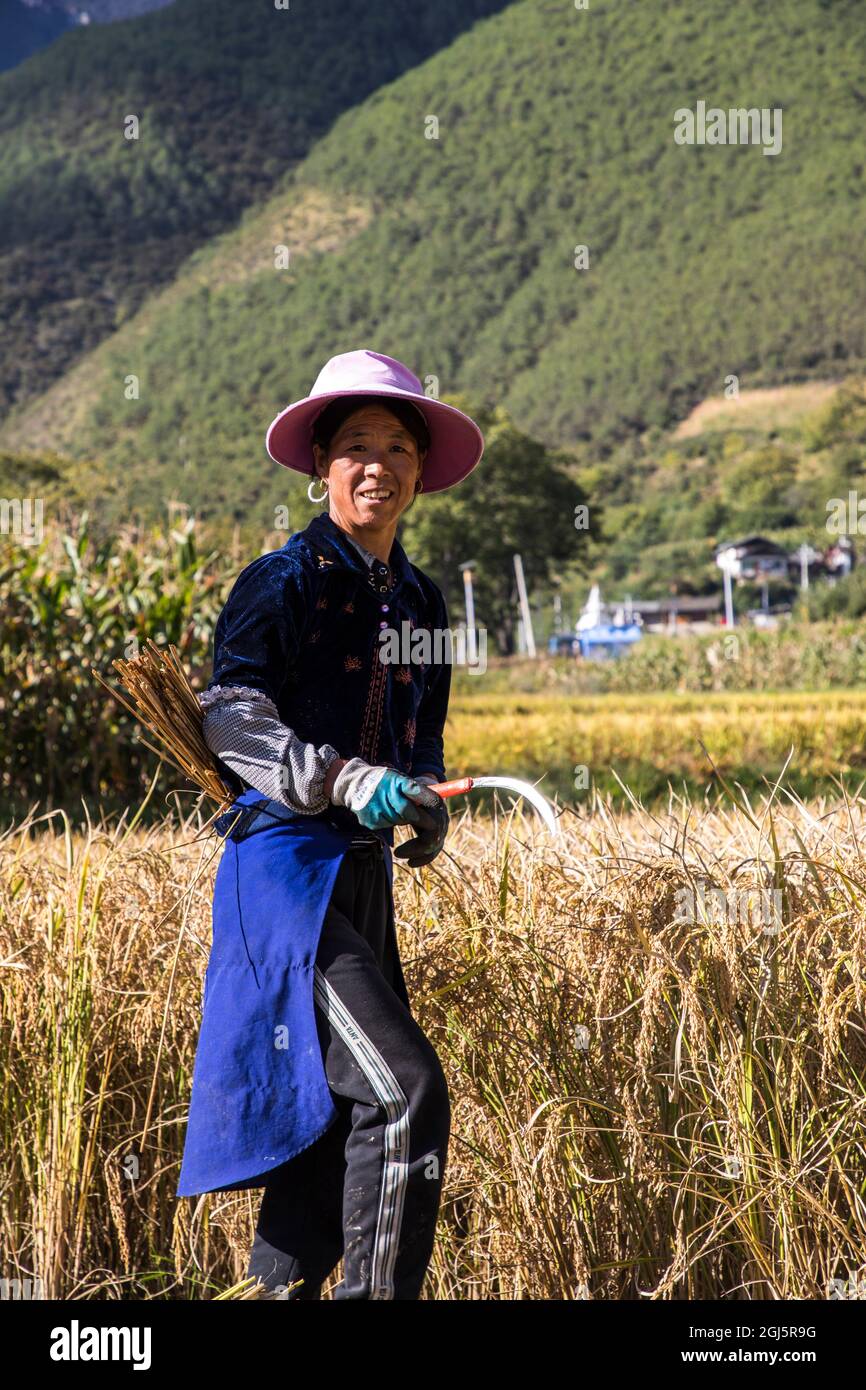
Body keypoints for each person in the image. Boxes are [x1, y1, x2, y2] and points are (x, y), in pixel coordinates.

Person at [175, 349, 485, 1300]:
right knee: (402, 1093)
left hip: (361, 877)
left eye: (398, 446)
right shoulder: (282, 580)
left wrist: (421, 798)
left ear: (422, 471)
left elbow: (418, 732)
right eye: (357, 446)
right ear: (320, 464)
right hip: (284, 878)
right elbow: (232, 720)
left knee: (331, 1112)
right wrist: (349, 781)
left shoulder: (423, 601)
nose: (378, 465)